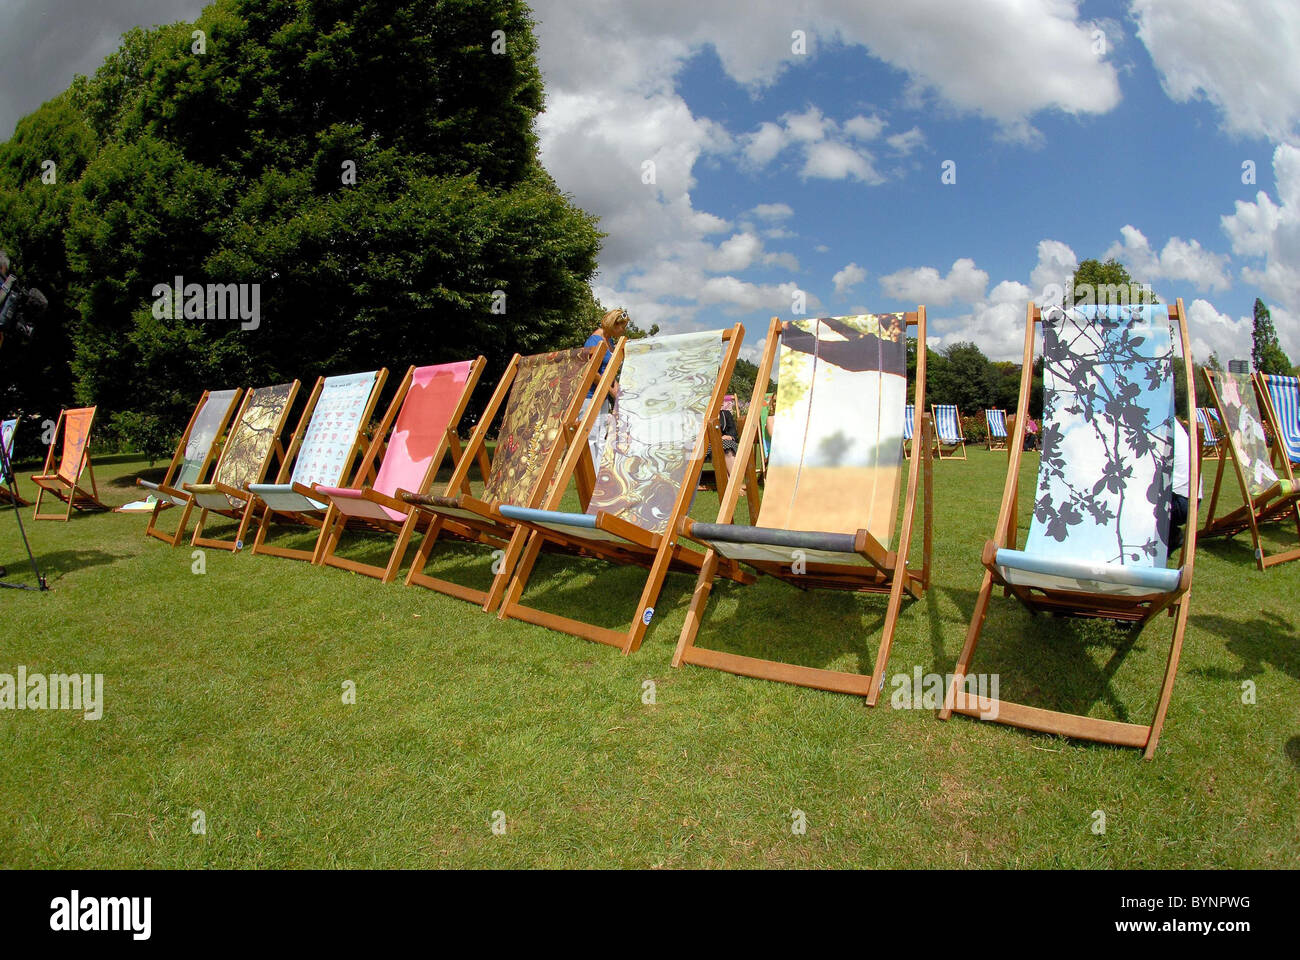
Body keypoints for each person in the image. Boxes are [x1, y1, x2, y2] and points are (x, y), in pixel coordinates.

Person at [580, 308, 629, 471]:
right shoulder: (595, 341)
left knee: (601, 436)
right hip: (589, 397)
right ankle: (592, 475)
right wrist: (610, 390)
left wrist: (617, 389)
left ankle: (599, 475)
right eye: (621, 326)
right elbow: (592, 372)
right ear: (612, 324)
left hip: (602, 396)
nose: (623, 330)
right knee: (591, 436)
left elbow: (608, 371)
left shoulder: (610, 342)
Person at [1169, 418, 1202, 552]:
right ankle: (1172, 535)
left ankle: (1171, 535)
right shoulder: (1174, 424)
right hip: (1193, 500)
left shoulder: (1159, 423)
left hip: (1178, 501)